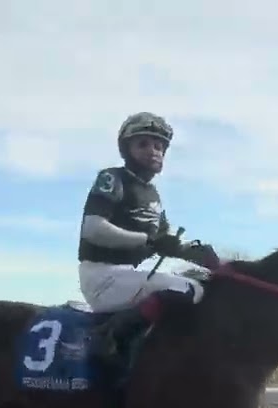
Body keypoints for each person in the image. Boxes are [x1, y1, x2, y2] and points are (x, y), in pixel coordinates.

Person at [78, 111, 214, 369]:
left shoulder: (153, 195)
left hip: (127, 276)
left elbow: (164, 241)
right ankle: (108, 337)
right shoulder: (112, 178)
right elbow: (93, 229)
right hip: (101, 277)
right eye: (143, 144)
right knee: (187, 290)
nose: (153, 150)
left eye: (159, 146)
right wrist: (149, 241)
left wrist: (198, 254)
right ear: (126, 149)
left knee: (201, 282)